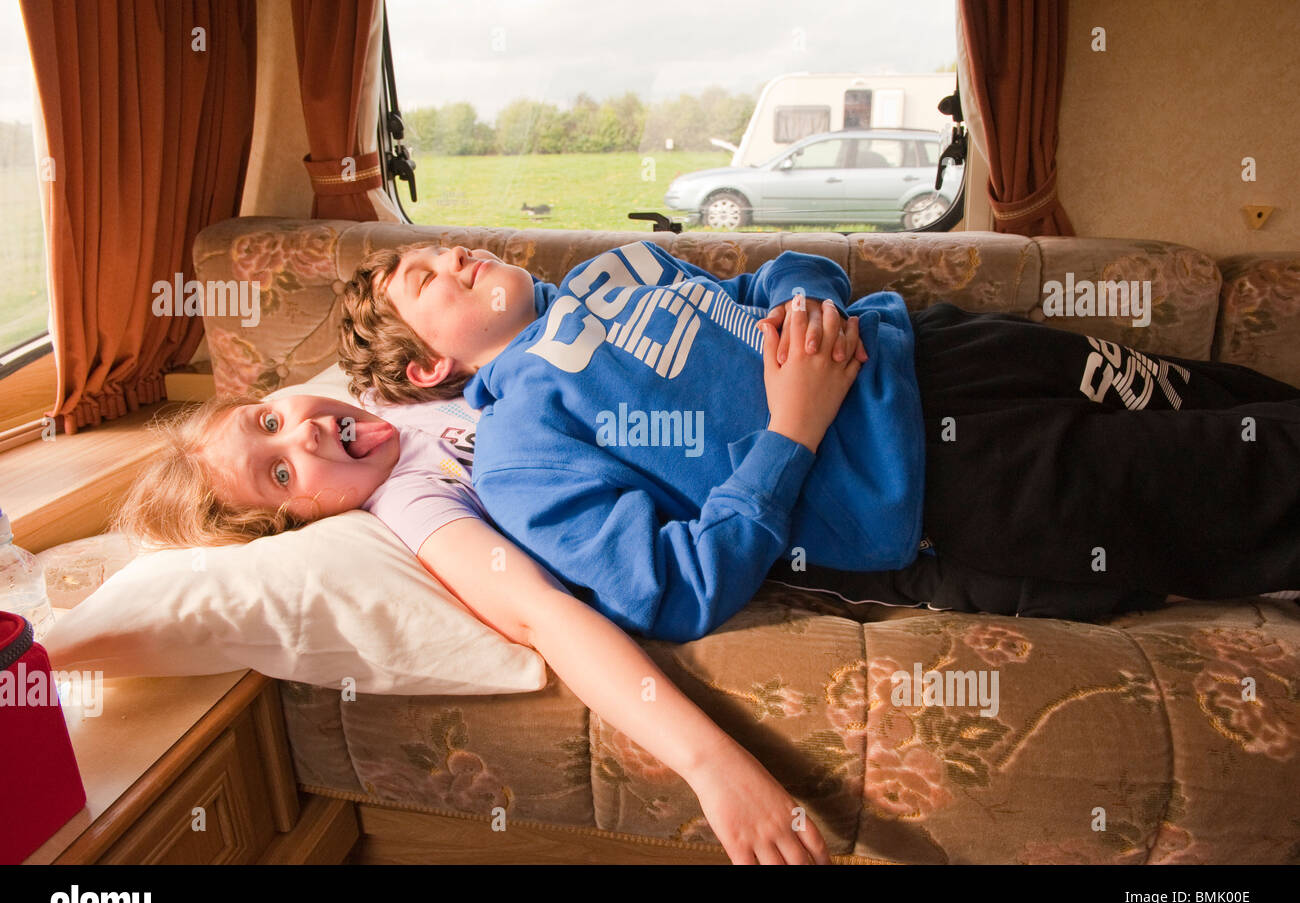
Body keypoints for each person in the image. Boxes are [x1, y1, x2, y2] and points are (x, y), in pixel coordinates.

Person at [337, 241, 1300, 639]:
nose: (451, 256)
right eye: (424, 283)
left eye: (438, 249)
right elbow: (669, 588)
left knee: (1224, 399)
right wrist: (793, 430)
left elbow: (773, 276)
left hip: (942, 350)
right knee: (1251, 479)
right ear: (428, 371)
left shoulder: (610, 270)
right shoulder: (517, 447)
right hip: (940, 484)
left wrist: (808, 297)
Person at [110, 388, 833, 866]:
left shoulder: (402, 403)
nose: (305, 432)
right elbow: (544, 617)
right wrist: (712, 765)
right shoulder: (412, 505)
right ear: (295, 525)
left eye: (269, 419)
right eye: (280, 474)